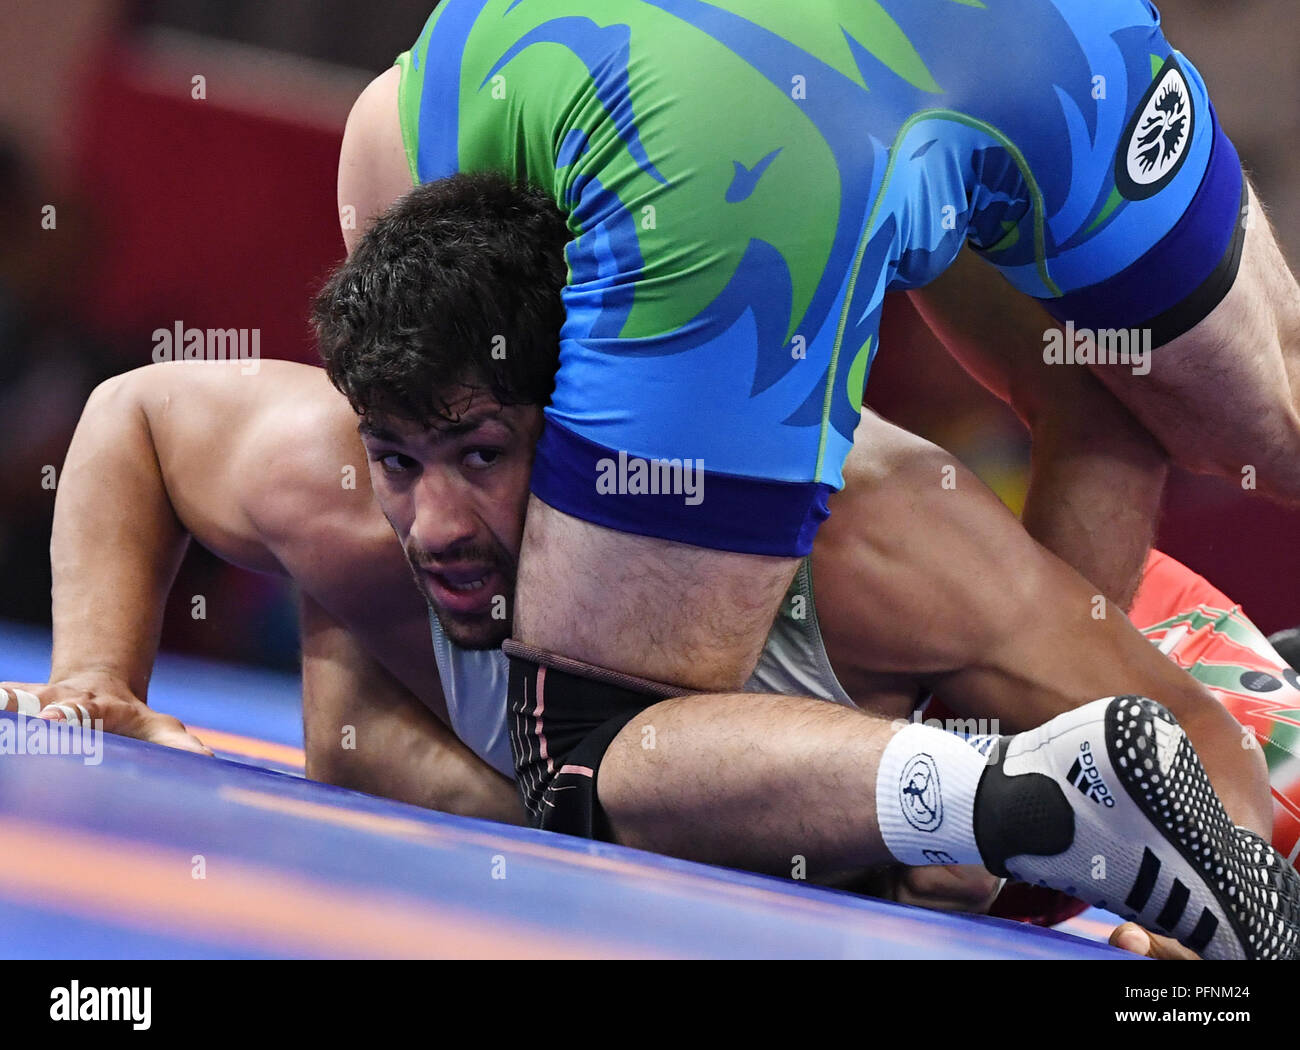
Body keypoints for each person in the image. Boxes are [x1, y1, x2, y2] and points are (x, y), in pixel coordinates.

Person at [17, 175, 1297, 957]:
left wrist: (1215, 890)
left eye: (479, 454)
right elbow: (135, 415)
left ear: (588, 423)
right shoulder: (340, 483)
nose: (437, 521)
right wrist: (97, 675)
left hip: (1173, 686)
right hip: (858, 789)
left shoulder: (869, 526)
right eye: (400, 460)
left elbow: (1195, 737)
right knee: (384, 741)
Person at [335, 1, 1300, 958]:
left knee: (587, 754)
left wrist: (998, 802)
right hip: (1050, 35)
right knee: (1273, 401)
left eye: (475, 456)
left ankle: (1021, 786)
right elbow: (1088, 393)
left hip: (708, 119)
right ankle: (1040, 775)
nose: (439, 523)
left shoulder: (399, 156)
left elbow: (367, 716)